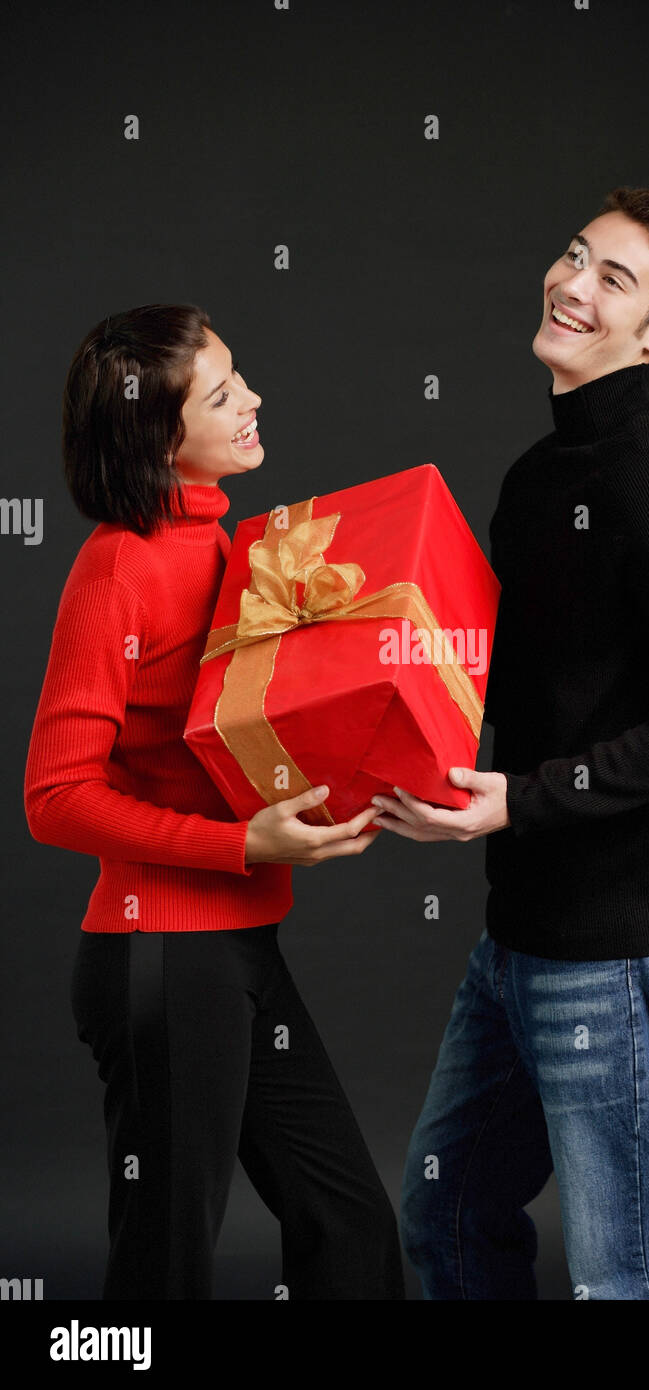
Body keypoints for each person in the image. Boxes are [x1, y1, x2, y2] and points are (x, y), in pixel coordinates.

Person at [371, 186, 649, 1300]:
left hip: (613, 943)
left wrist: (525, 799)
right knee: (448, 1213)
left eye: (613, 277)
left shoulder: (645, 467)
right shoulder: (537, 474)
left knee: (628, 1276)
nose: (571, 283)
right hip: (520, 935)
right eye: (572, 255)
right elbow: (528, 685)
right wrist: (378, 693)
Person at [23, 305, 404, 1301]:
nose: (254, 401)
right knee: (163, 1264)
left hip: (235, 947)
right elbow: (55, 798)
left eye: (242, 380)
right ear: (159, 431)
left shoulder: (240, 550)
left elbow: (257, 730)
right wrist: (241, 843)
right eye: (224, 392)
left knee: (349, 1222)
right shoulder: (117, 566)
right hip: (160, 957)